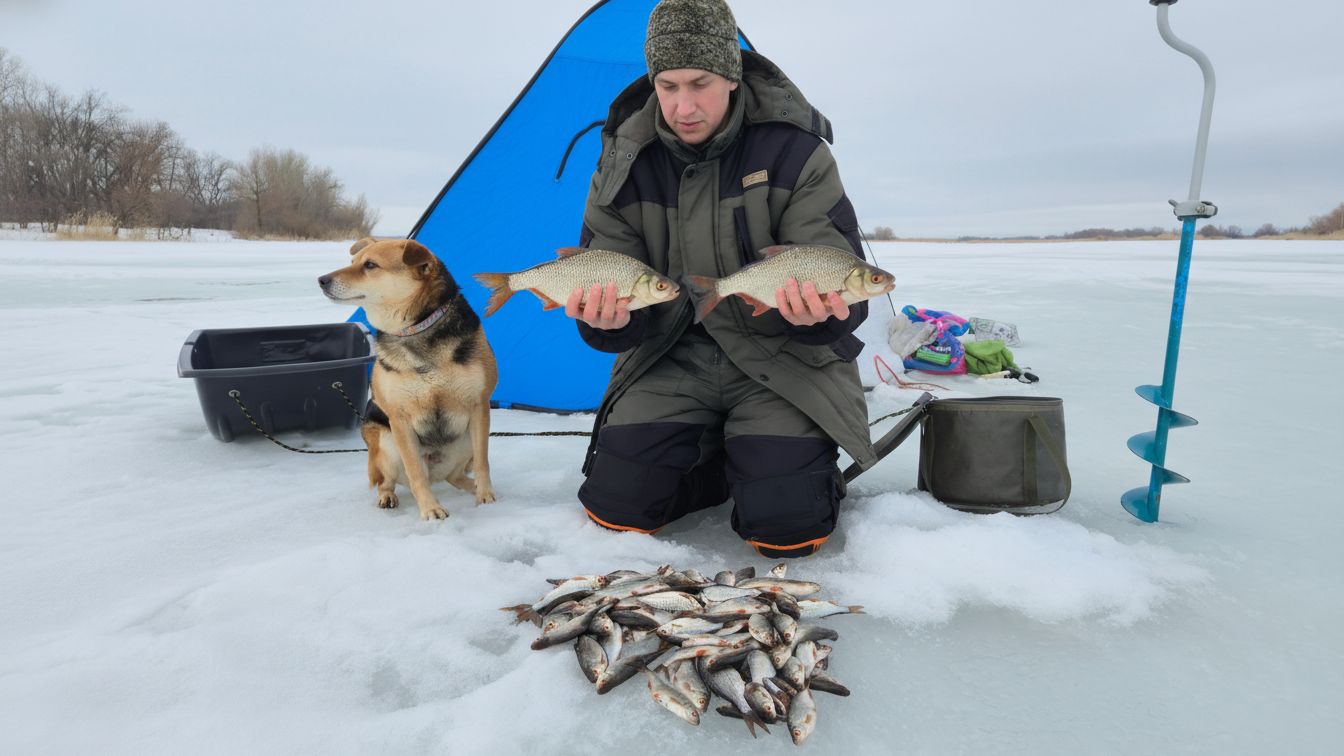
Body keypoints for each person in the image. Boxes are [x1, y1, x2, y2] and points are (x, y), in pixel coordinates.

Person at [567, 0, 877, 558]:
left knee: (789, 529)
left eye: (700, 83)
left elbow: (837, 268)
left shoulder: (795, 149)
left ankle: (778, 476)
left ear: (731, 76)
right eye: (667, 86)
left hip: (781, 356)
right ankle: (721, 465)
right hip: (670, 352)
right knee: (615, 513)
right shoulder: (624, 161)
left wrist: (823, 314)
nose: (683, 106)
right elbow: (607, 272)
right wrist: (604, 323)